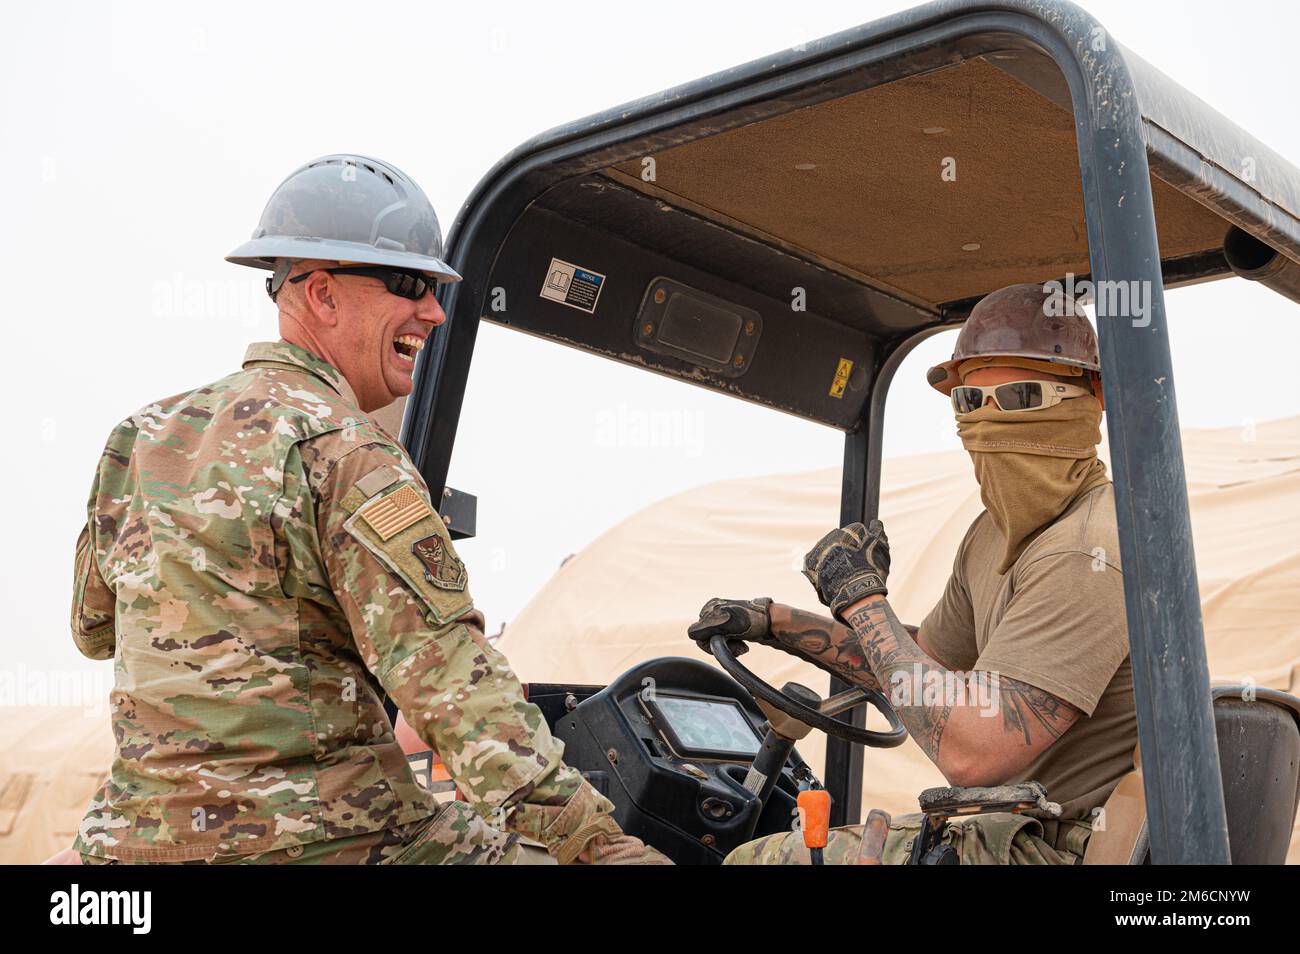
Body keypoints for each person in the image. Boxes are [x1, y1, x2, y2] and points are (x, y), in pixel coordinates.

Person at [71, 154, 667, 865]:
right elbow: (452, 686)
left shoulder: (137, 438)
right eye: (410, 284)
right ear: (321, 294)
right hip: (330, 839)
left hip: (131, 848)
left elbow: (94, 628)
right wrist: (595, 843)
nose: (436, 311)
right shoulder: (349, 452)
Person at [692, 283, 1138, 865]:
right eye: (969, 404)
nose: (989, 422)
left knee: (747, 860)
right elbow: (919, 668)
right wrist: (776, 621)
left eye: (1023, 395)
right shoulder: (993, 534)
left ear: (1094, 394)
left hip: (1050, 848)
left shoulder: (1086, 552)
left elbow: (972, 753)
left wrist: (860, 598)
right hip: (1003, 833)